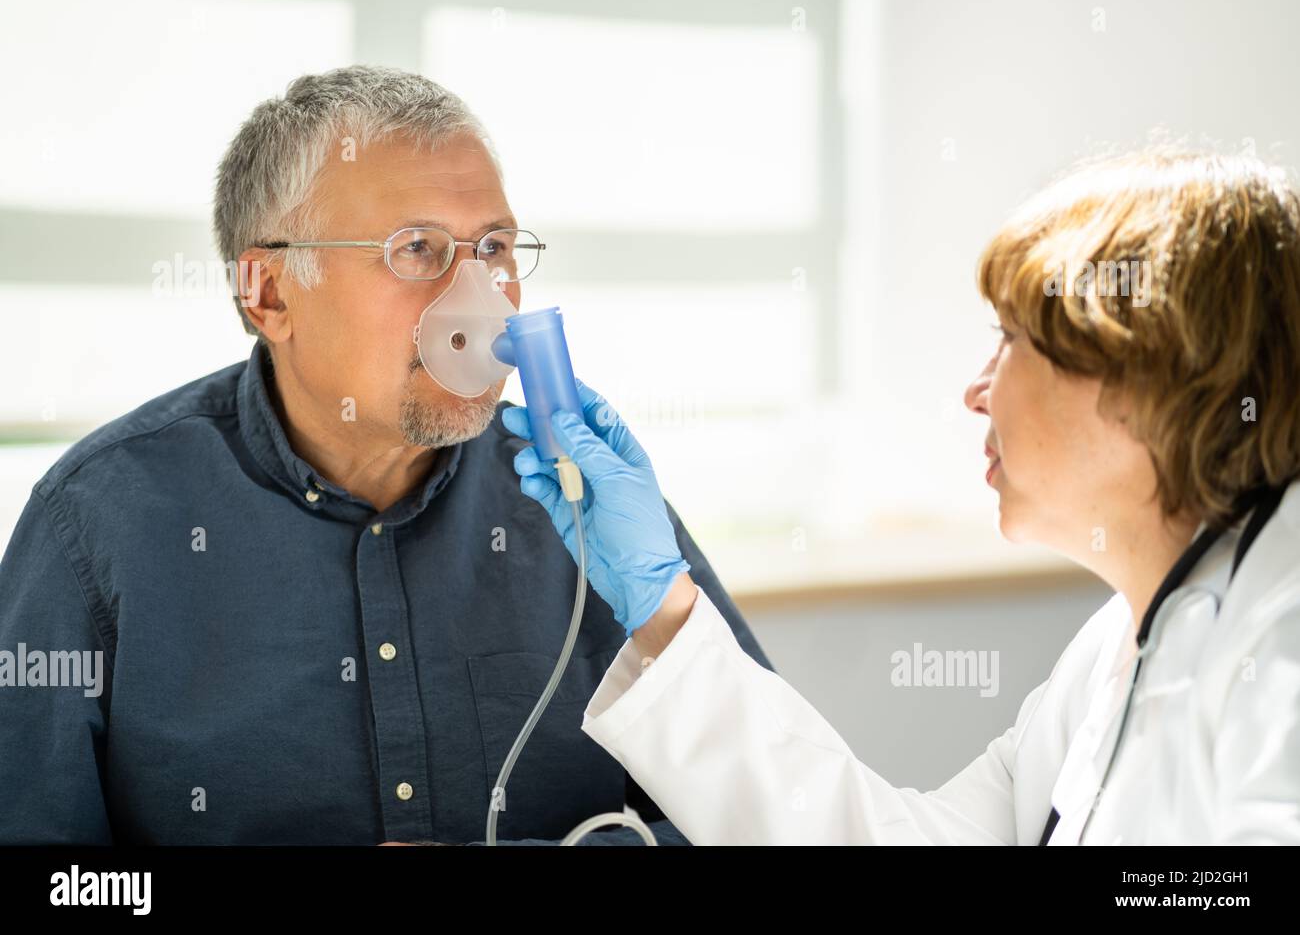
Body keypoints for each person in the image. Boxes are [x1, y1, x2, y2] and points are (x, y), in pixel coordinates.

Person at [0, 66, 772, 845]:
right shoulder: (95, 527)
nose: (480, 298)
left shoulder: (585, 502)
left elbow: (767, 817)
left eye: (495, 247)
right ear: (267, 293)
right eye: (415, 250)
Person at [504, 149, 1300, 844]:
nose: (977, 391)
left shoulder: (1282, 632)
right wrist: (662, 608)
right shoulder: (1116, 644)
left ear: (1146, 375)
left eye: (1012, 341)